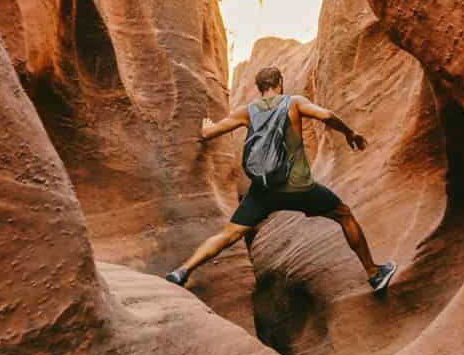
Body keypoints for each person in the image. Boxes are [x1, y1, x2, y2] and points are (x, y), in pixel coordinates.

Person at [166, 67, 397, 291]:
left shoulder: (247, 111)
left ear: (260, 88)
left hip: (263, 192)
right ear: (280, 83)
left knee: (228, 235)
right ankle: (374, 273)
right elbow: (326, 115)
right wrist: (350, 132)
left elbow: (208, 134)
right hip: (299, 188)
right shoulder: (294, 103)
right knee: (344, 214)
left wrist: (207, 128)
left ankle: (183, 270)